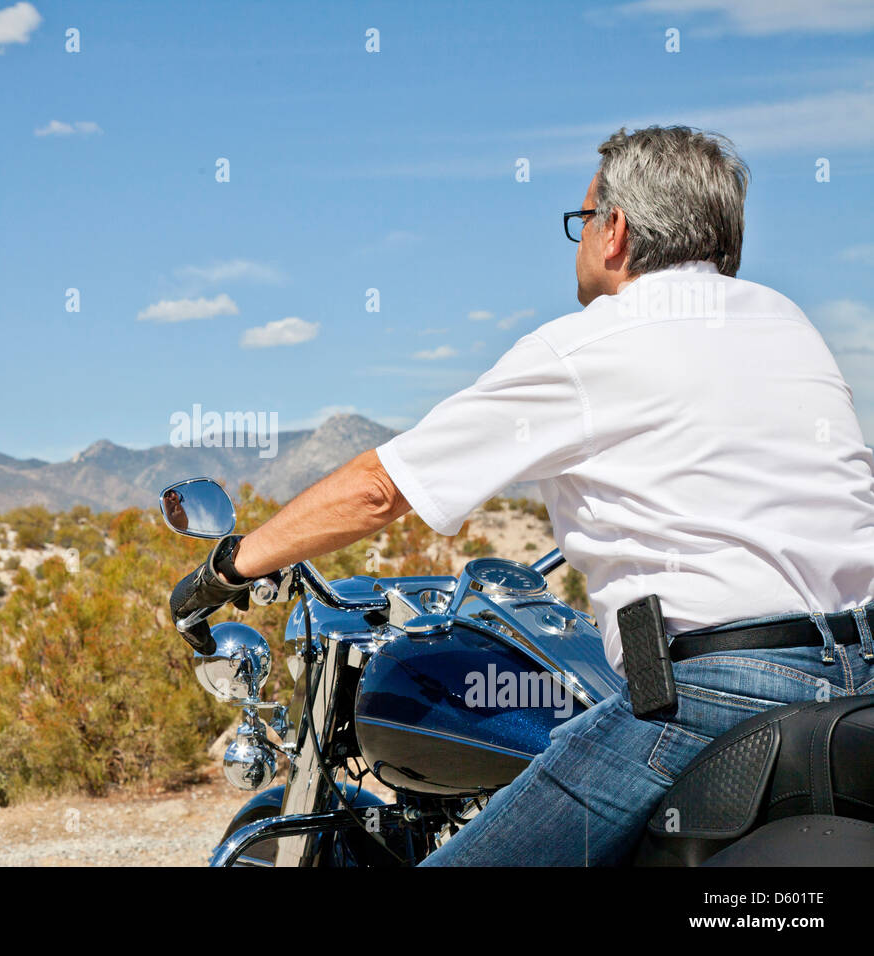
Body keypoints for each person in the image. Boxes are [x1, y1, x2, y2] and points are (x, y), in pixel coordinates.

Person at [170, 126, 874, 865]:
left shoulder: (589, 345)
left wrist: (228, 567)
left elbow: (381, 490)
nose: (578, 239)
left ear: (616, 231)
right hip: (857, 678)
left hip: (715, 693)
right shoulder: (786, 322)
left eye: (582, 220)